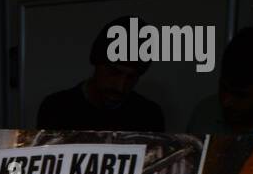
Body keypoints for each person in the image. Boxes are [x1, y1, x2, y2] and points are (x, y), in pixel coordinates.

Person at [37, 16, 165, 132]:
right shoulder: (56, 108)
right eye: (114, 72)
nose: (120, 86)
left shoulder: (149, 115)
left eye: (131, 77)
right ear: (96, 63)